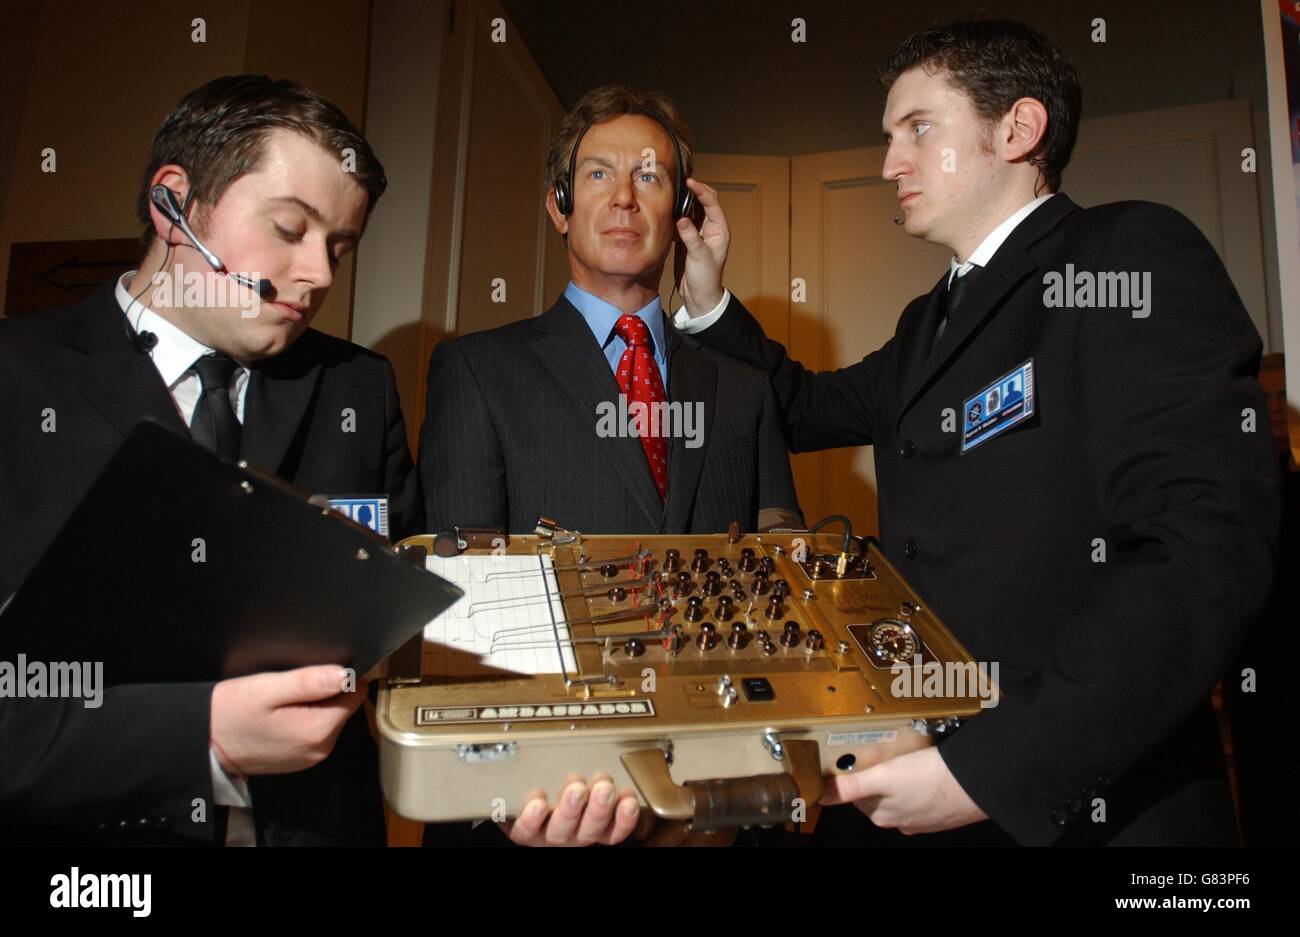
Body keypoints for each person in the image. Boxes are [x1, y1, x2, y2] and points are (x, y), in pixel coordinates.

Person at [674, 21, 1280, 845]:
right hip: (928, 769)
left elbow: (1203, 547)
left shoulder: (1122, 254)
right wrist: (708, 297)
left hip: (1095, 807)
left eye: (918, 129)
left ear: (1017, 131)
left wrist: (991, 769)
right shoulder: (928, 322)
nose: (889, 162)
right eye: (889, 137)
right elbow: (800, 407)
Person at [0, 75, 635, 847]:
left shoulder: (357, 388)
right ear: (173, 205)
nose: (321, 275)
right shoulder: (18, 380)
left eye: (339, 245)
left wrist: (518, 781)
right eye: (290, 229)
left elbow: (419, 631)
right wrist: (199, 735)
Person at [419, 85, 802, 539]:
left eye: (648, 177)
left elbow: (785, 572)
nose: (624, 198)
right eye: (599, 175)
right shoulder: (476, 373)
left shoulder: (747, 387)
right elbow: (471, 592)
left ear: (683, 212)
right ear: (560, 207)